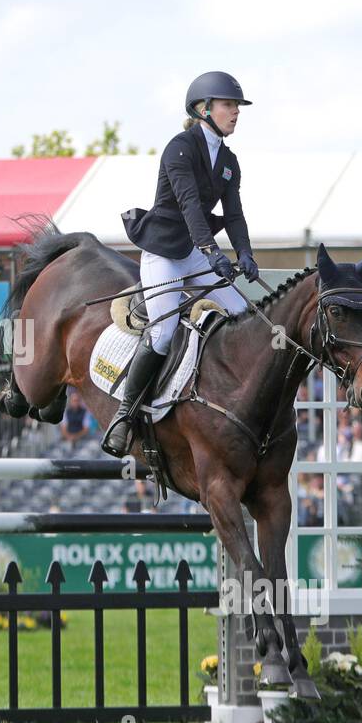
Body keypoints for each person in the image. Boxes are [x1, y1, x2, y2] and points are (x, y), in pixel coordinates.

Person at [104, 71, 257, 457]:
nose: (236, 112)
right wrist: (213, 252)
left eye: (237, 106)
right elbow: (189, 205)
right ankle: (125, 415)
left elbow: (234, 214)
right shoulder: (180, 148)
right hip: (165, 253)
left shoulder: (229, 161)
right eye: (228, 105)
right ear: (203, 109)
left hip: (195, 251)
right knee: (163, 332)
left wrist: (245, 253)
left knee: (243, 315)